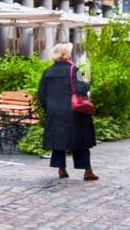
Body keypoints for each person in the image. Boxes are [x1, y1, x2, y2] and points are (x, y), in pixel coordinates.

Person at [37, 42, 97, 180]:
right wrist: (86, 82)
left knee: (58, 141)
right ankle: (87, 171)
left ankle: (61, 169)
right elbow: (81, 89)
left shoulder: (47, 72)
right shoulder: (74, 70)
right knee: (80, 141)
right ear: (66, 54)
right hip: (74, 112)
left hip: (54, 112)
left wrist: (50, 108)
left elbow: (41, 94)